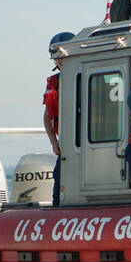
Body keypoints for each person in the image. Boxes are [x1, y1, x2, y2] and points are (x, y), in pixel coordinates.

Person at [43, 32, 75, 206]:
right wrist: (54, 143)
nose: (60, 60)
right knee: (59, 180)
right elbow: (47, 117)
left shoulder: (86, 76)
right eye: (56, 56)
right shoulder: (55, 83)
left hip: (81, 142)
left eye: (62, 55)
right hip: (65, 146)